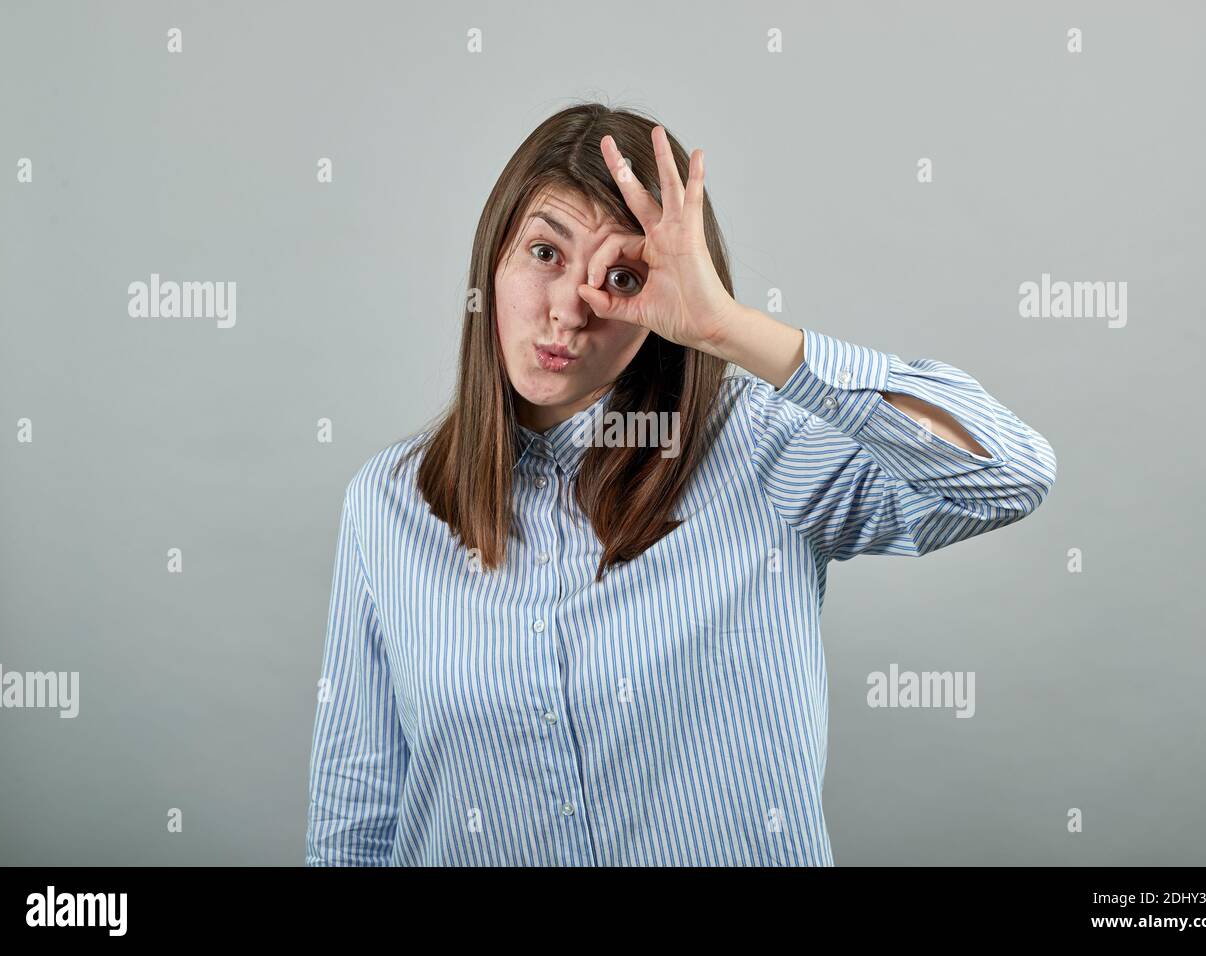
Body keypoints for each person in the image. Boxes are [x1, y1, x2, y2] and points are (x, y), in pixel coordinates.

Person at [304, 103, 1057, 866]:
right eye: (543, 253)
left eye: (622, 277)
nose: (568, 310)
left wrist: (727, 327)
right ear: (491, 263)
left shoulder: (760, 447)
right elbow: (357, 814)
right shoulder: (389, 505)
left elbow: (1006, 475)